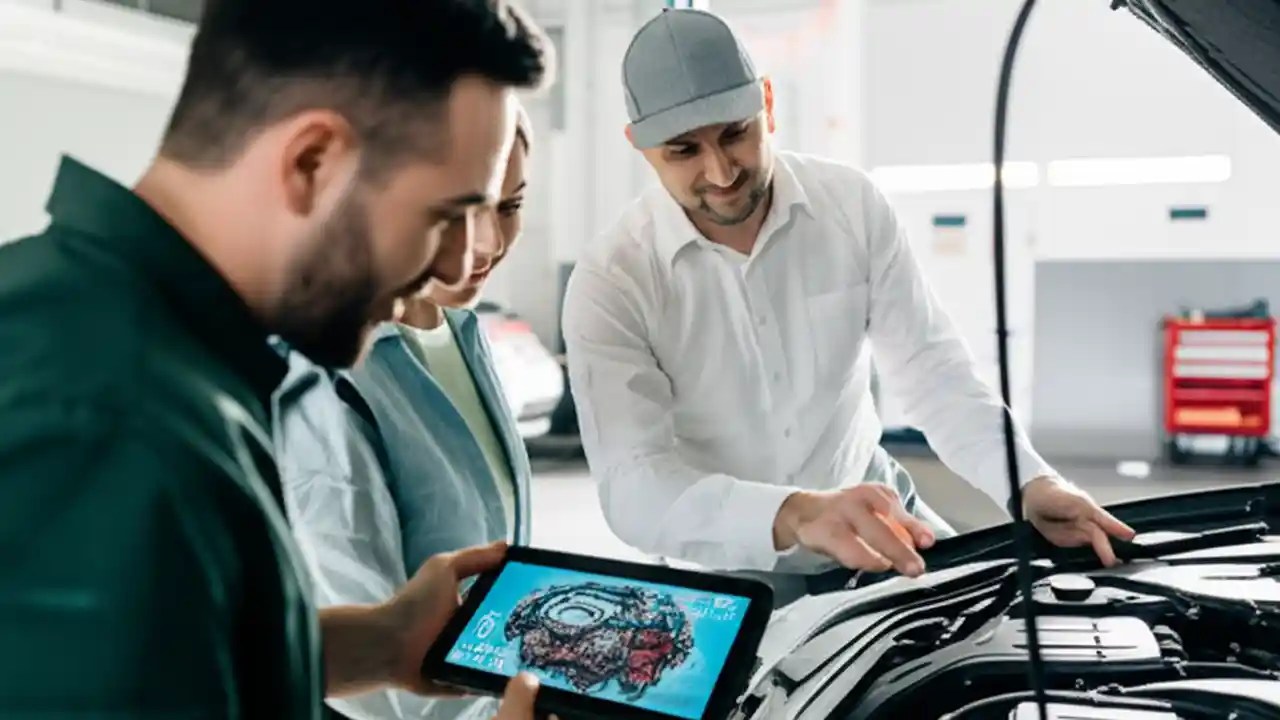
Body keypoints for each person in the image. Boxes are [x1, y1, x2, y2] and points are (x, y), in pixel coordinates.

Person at [0, 1, 554, 717]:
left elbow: (180, 652)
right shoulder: (113, 426)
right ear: (313, 162)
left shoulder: (97, 324)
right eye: (445, 217)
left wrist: (384, 643)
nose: (459, 261)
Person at [561, 7, 1134, 605]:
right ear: (640, 147)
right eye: (683, 151)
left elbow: (933, 375)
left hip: (884, 520)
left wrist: (1030, 482)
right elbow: (635, 485)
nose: (721, 171)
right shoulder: (612, 282)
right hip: (725, 568)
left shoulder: (851, 207)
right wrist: (795, 514)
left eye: (736, 132)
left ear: (769, 104)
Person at [277, 106, 537, 720]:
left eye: (510, 206)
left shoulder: (462, 330)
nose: (490, 244)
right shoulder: (328, 374)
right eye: (463, 212)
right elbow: (372, 694)